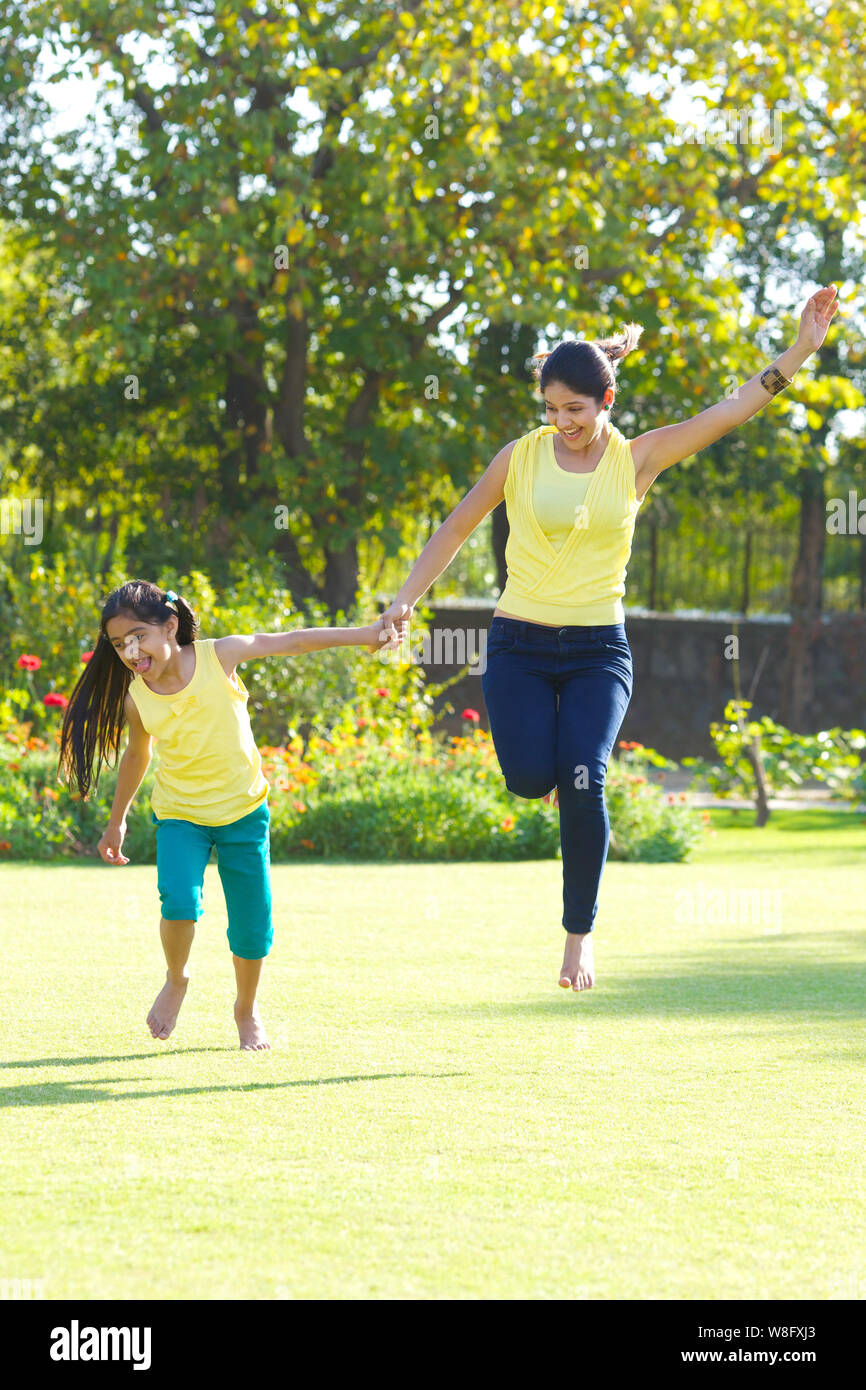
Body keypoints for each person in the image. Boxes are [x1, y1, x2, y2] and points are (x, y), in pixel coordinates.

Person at [379, 285, 839, 991]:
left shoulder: (638, 460)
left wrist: (801, 350)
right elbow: (457, 525)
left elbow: (731, 408)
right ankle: (559, 779)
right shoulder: (519, 457)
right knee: (532, 778)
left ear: (606, 402)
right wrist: (406, 600)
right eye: (551, 409)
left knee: (585, 779)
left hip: (598, 652)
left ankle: (578, 939)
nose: (563, 422)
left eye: (576, 409)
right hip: (518, 646)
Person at [57, 581, 400, 1050]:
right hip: (181, 815)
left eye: (137, 636)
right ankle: (177, 978)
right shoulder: (138, 698)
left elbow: (292, 641)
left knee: (252, 925)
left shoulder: (221, 656)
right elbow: (138, 756)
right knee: (178, 901)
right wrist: (117, 820)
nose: (129, 651)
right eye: (119, 644)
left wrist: (368, 634)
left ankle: (246, 1009)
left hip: (243, 812)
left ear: (170, 626)